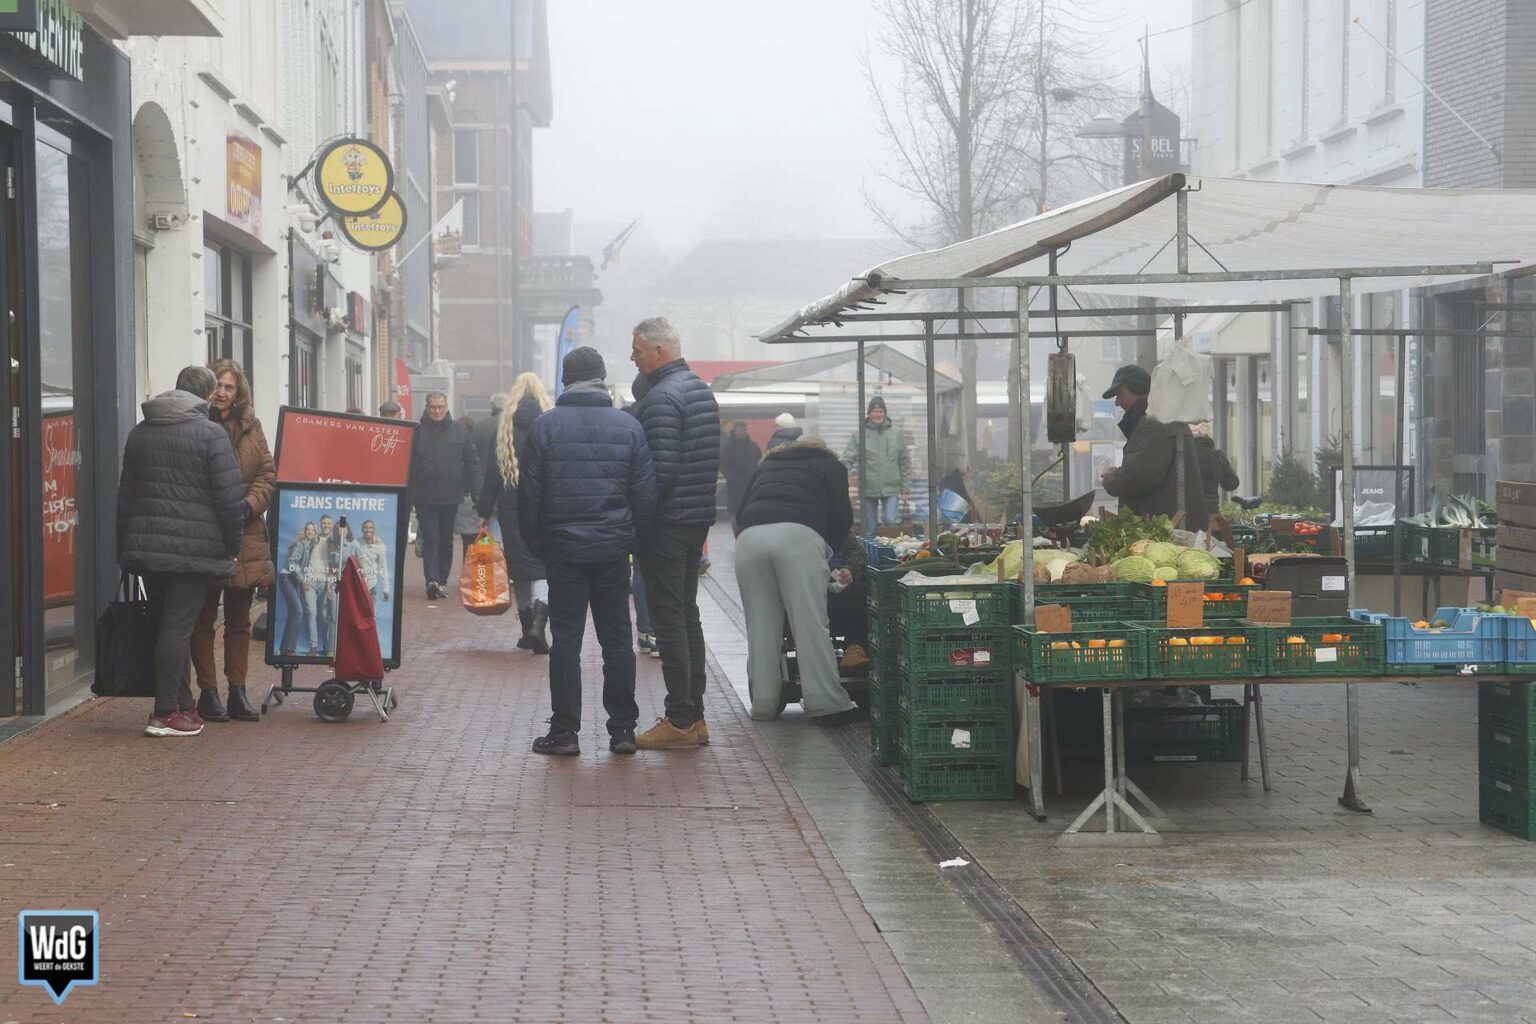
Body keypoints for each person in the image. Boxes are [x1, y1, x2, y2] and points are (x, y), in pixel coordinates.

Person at [518, 347, 657, 756]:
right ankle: (623, 730)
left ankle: (565, 732)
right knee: (617, 640)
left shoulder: (546, 427)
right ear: (601, 377)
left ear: (565, 379)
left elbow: (529, 494)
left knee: (567, 641)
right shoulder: (628, 427)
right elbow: (645, 493)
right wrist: (632, 538)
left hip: (564, 551)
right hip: (613, 550)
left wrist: (538, 543)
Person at [117, 365, 247, 737]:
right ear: (205, 397)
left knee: (168, 626)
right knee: (177, 628)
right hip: (194, 552)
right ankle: (163, 713)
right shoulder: (211, 434)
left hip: (148, 550)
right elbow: (229, 499)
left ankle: (185, 706)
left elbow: (125, 496)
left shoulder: (141, 432)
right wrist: (232, 547)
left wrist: (123, 547)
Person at [629, 317, 722, 751]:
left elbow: (658, 472)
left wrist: (639, 521)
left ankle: (680, 718)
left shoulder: (661, 399)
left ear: (658, 351)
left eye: (637, 350)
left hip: (666, 523)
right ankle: (695, 714)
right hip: (695, 519)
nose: (634, 358)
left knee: (668, 620)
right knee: (687, 615)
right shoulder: (700, 390)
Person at [734, 436, 862, 724]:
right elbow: (842, 517)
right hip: (798, 537)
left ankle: (764, 704)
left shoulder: (767, 464)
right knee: (810, 623)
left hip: (749, 538)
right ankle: (825, 703)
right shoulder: (831, 465)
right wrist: (826, 551)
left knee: (761, 627)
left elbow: (740, 511)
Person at [189, 360, 276, 724]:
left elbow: (267, 475)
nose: (223, 392)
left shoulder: (251, 427)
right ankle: (208, 694)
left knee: (239, 619)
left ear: (239, 391)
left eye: (229, 387)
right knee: (204, 619)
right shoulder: (197, 424)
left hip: (245, 533)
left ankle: (237, 691)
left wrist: (247, 505)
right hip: (208, 534)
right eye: (218, 385)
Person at [477, 374, 553, 655]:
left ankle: (526, 629)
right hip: (543, 504)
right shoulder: (549, 422)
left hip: (511, 505)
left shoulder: (505, 428)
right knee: (543, 568)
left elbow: (492, 476)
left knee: (520, 569)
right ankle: (540, 627)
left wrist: (484, 511)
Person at [1099, 364, 1209, 531]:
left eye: (1121, 395)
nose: (1118, 402)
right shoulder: (1159, 420)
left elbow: (1140, 475)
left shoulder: (1155, 423)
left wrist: (1112, 477)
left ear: (1138, 390)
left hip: (1168, 528)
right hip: (1170, 525)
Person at [408, 391, 480, 599]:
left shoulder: (459, 431)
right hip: (424, 495)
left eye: (440, 407)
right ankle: (431, 579)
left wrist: (477, 493)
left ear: (446, 407)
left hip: (451, 495)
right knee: (431, 536)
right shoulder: (417, 433)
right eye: (433, 408)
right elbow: (409, 466)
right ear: (427, 408)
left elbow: (472, 462)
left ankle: (441, 579)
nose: (437, 411)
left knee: (446, 538)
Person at [841, 395, 911, 535]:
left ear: (885, 413)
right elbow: (848, 457)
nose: (877, 414)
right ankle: (871, 555)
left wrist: (905, 488)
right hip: (868, 487)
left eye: (880, 411)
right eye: (874, 411)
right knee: (870, 528)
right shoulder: (859, 434)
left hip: (892, 486)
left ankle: (887, 554)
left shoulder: (897, 433)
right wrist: (838, 470)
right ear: (869, 414)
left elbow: (904, 461)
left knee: (889, 522)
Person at [278, 522, 317, 657]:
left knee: (294, 612)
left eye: (313, 530)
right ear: (305, 531)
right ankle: (290, 650)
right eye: (308, 530)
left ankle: (284, 649)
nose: (310, 532)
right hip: (287, 578)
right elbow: (292, 563)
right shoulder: (301, 544)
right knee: (298, 611)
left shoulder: (310, 546)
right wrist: (302, 579)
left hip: (294, 581)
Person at [1192, 423, 1240, 517]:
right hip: (1211, 509)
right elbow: (1232, 484)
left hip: (1188, 510)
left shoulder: (1186, 456)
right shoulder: (1218, 457)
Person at [305, 515, 336, 657]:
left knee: (324, 615)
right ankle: (313, 646)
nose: (326, 525)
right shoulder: (313, 538)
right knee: (312, 612)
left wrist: (329, 583)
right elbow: (300, 546)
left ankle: (326, 646)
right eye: (324, 523)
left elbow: (334, 564)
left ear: (332, 525)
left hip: (325, 582)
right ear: (320, 524)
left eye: (329, 523)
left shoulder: (334, 541)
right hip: (310, 580)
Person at [719, 420, 762, 520]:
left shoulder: (753, 446)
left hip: (750, 481)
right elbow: (722, 463)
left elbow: (759, 461)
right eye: (740, 429)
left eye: (744, 429)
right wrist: (730, 476)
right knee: (735, 509)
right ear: (735, 430)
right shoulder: (728, 446)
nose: (742, 431)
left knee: (748, 506)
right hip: (735, 483)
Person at [358, 519, 391, 609]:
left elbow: (383, 568)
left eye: (370, 528)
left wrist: (385, 589)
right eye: (365, 528)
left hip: (372, 584)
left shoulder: (380, 546)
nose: (368, 530)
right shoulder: (356, 543)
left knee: (371, 613)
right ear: (362, 529)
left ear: (374, 530)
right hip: (358, 584)